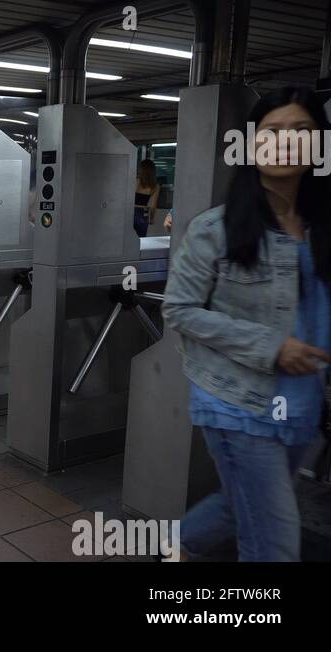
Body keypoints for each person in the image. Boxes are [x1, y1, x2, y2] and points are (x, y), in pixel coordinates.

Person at [162, 87, 331, 562]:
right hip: (238, 404)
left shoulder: (322, 229)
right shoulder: (214, 229)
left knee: (243, 507)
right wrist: (272, 346)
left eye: (302, 132)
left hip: (305, 407)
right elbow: (178, 309)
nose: (286, 142)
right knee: (276, 541)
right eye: (272, 132)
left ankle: (171, 548)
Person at [133, 159, 160, 237]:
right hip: (143, 214)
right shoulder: (155, 186)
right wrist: (151, 218)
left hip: (130, 212)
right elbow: (153, 206)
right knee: (140, 240)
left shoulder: (135, 181)